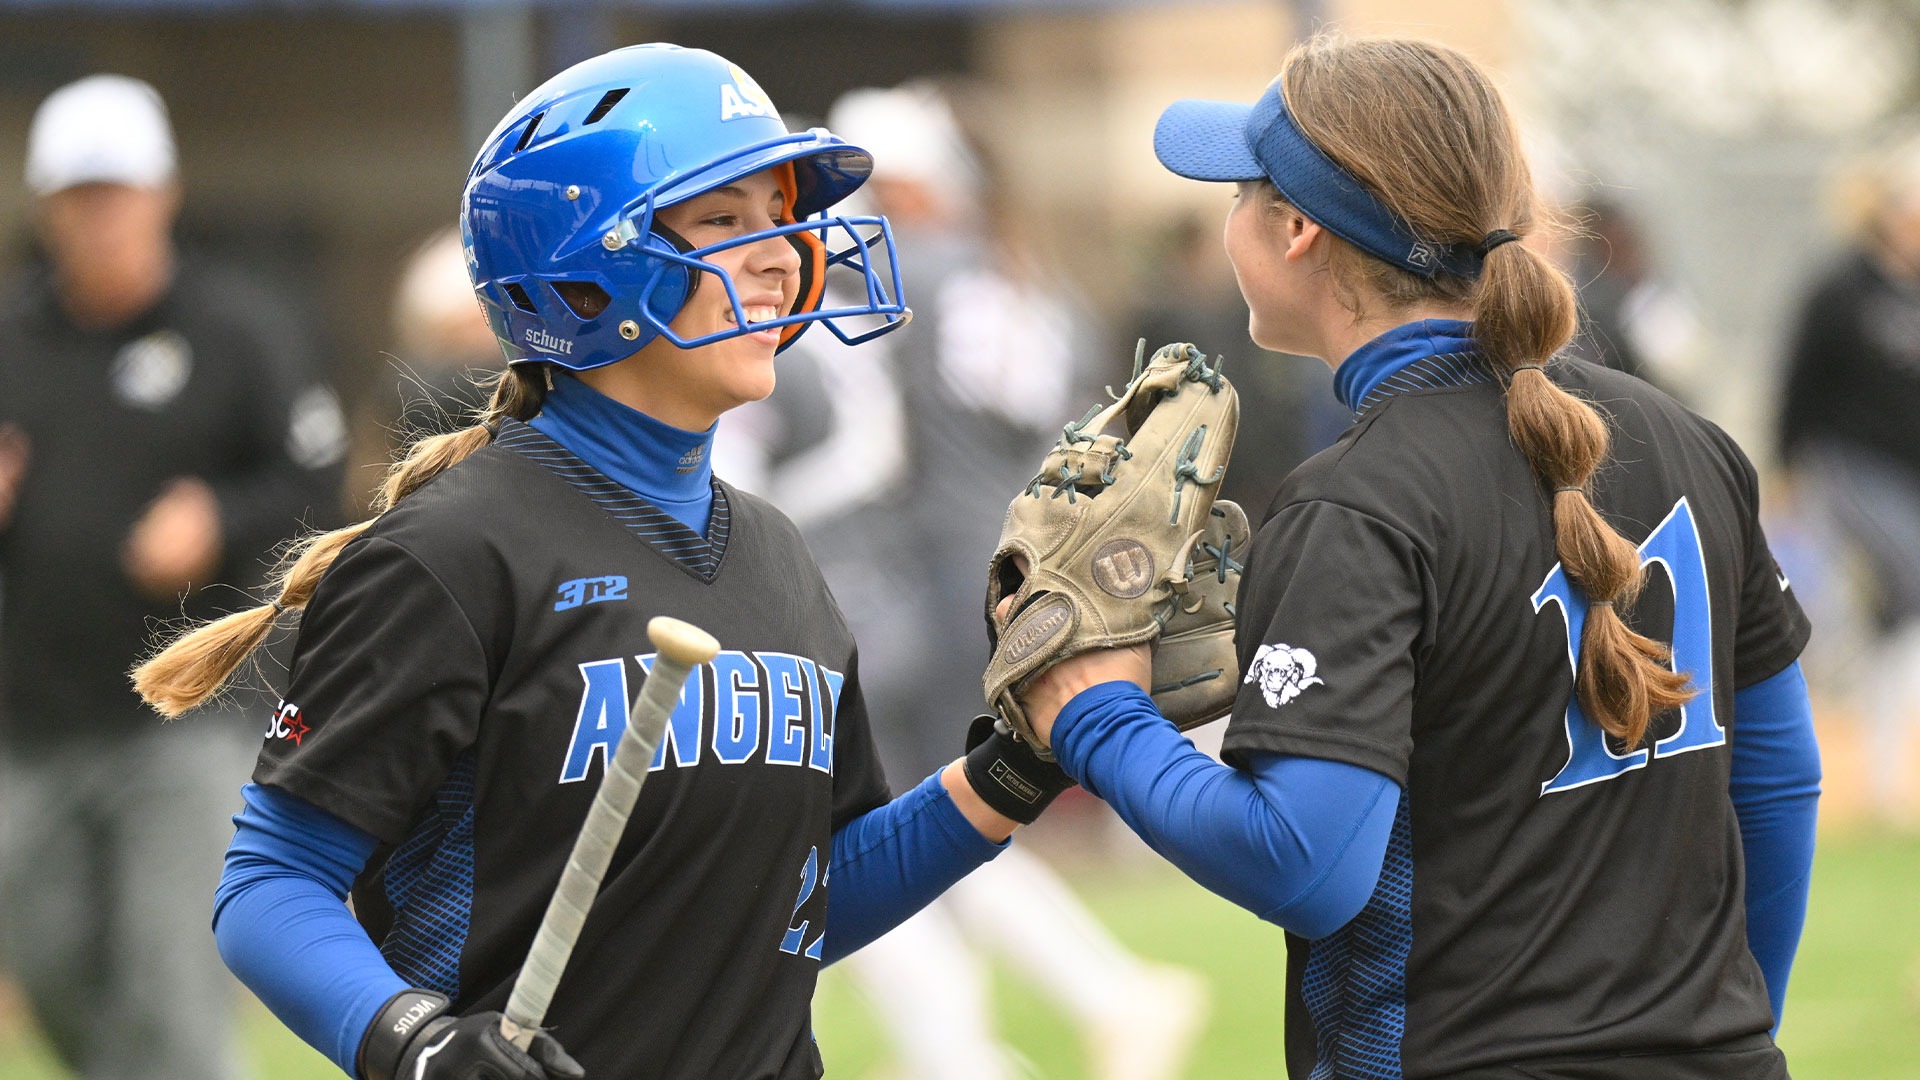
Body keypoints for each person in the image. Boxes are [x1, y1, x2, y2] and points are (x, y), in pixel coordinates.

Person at [132, 44, 1071, 1080]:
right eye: (725, 219)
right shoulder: (453, 554)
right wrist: (417, 1045)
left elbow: (808, 897)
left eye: (781, 214)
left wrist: (1011, 771)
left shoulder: (779, 555)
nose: (782, 253)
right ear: (584, 271)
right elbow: (272, 883)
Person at [1001, 34, 1822, 1079]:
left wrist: (1094, 717)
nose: (1226, 217)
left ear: (1295, 230)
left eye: (1242, 191)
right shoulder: (1691, 443)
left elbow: (1303, 861)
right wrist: (1732, 1030)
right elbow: (1781, 781)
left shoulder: (1357, 501)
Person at [717, 88, 1209, 1075]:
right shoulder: (1036, 285)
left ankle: (995, 1037)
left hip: (917, 578)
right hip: (1021, 575)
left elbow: (864, 452)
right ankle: (1048, 1017)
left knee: (867, 834)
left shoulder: (913, 285)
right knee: (926, 816)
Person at [0, 74, 346, 1079]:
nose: (98, 219)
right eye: (77, 197)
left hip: (187, 718)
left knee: (170, 980)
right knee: (51, 963)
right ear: (45, 206)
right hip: (33, 716)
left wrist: (218, 516)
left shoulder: (234, 331)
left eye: (115, 193)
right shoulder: (14, 342)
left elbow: (316, 475)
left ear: (163, 194)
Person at [1777, 128, 1920, 827]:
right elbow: (1798, 381)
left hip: (1908, 472)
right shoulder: (1841, 287)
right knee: (1907, 580)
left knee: (1889, 615)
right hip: (1847, 463)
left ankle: (1887, 774)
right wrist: (1783, 468)